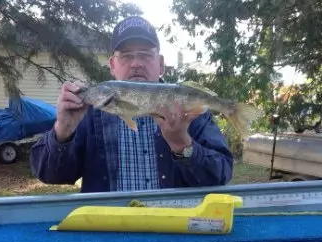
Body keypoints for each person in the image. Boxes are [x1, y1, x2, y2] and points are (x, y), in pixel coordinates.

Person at [30, 15, 234, 193]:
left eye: (146, 54)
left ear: (161, 64)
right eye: (126, 56)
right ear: (112, 65)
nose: (136, 63)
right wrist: (63, 131)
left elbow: (221, 175)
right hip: (111, 230)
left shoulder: (187, 108)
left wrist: (182, 145)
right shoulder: (88, 114)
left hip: (174, 228)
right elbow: (50, 176)